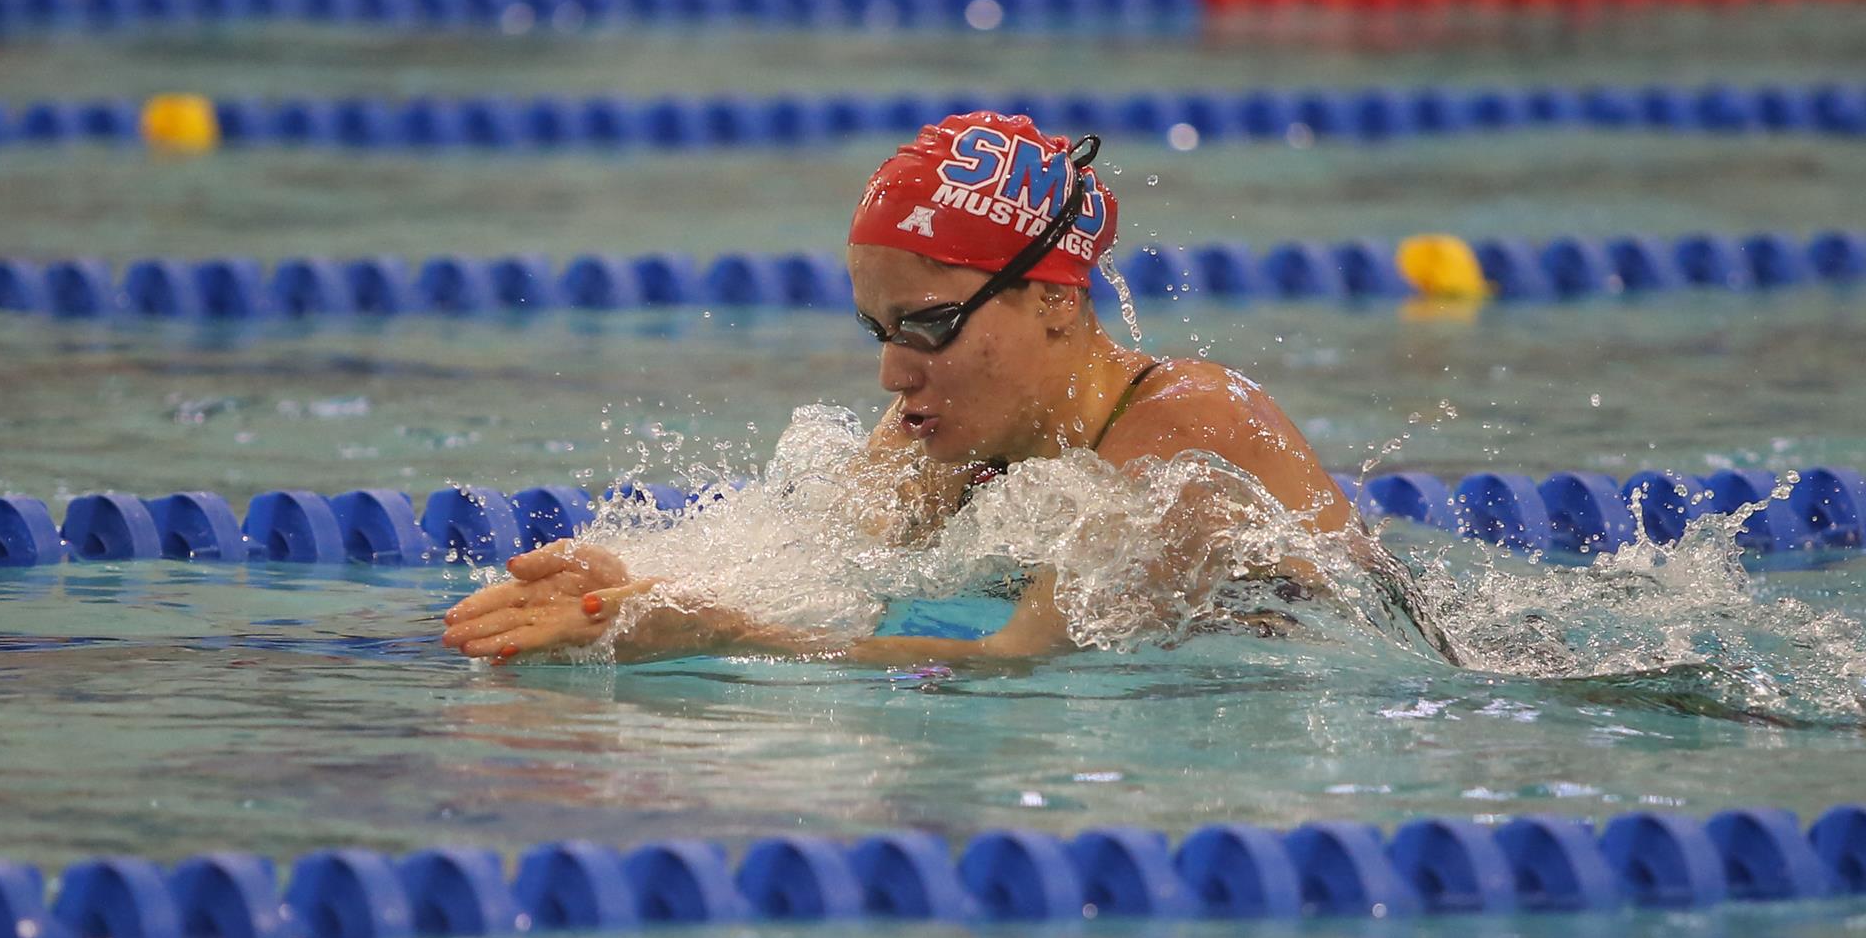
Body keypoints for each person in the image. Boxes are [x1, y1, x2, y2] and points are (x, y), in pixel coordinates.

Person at [443, 111, 1391, 667]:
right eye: (881, 333)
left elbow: (1018, 659)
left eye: (931, 325)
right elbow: (819, 574)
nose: (895, 374)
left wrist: (728, 636)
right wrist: (642, 593)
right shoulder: (945, 434)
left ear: (1054, 299)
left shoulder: (1186, 431)